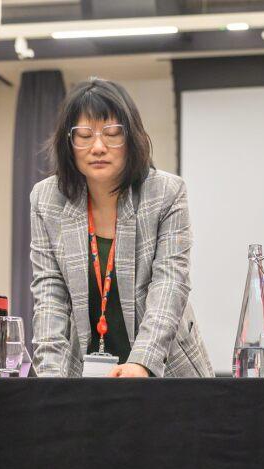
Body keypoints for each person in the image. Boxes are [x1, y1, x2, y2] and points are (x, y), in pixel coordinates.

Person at [29, 77, 213, 378]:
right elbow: (49, 294)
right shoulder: (47, 199)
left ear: (131, 140)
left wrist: (141, 361)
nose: (98, 147)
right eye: (84, 135)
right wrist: (51, 380)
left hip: (167, 371)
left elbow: (170, 284)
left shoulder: (166, 193)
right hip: (85, 376)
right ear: (68, 142)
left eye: (112, 134)